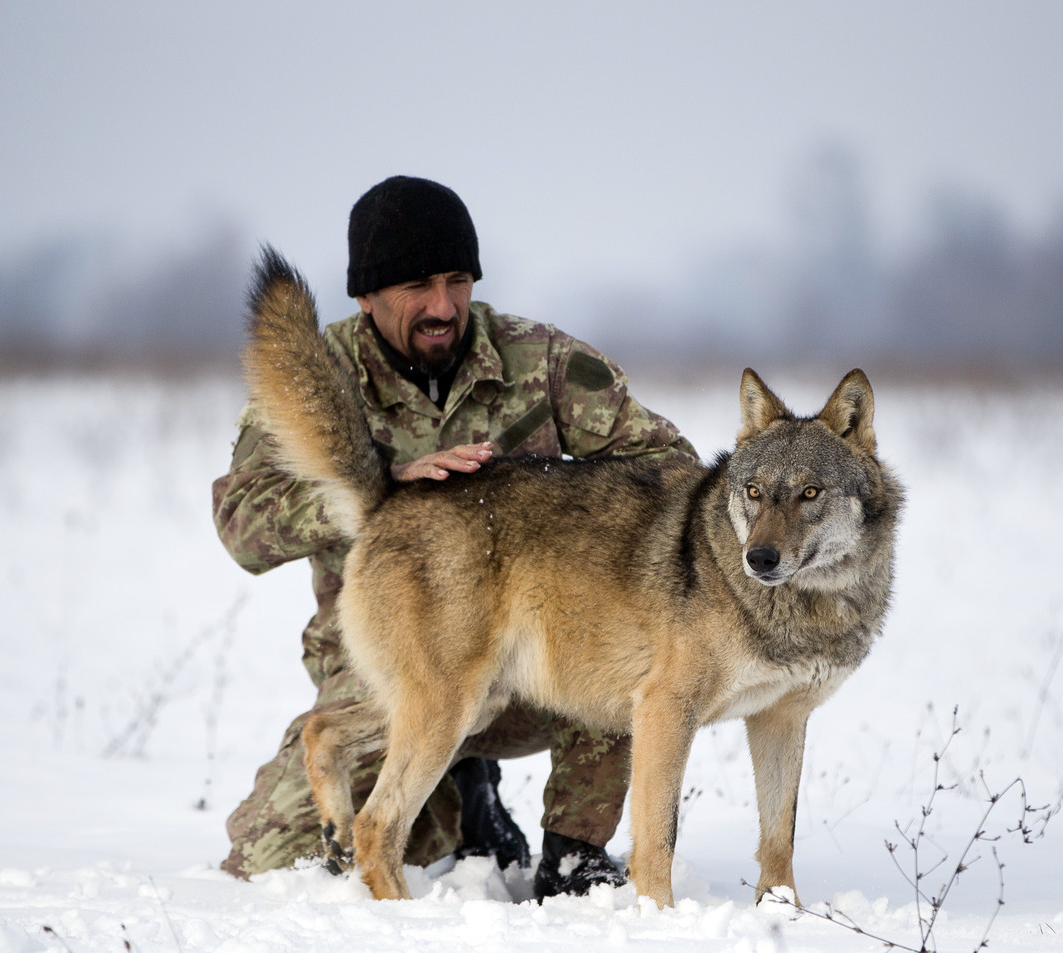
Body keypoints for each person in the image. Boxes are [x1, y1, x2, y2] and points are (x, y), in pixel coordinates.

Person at [212, 175, 698, 898]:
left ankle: (575, 853)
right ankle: (463, 797)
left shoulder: (542, 360)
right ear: (366, 296)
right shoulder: (329, 373)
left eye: (458, 281)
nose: (443, 306)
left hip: (539, 649)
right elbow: (240, 527)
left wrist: (552, 505)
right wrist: (385, 485)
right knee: (267, 861)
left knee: (624, 637)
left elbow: (674, 470)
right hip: (389, 659)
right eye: (417, 286)